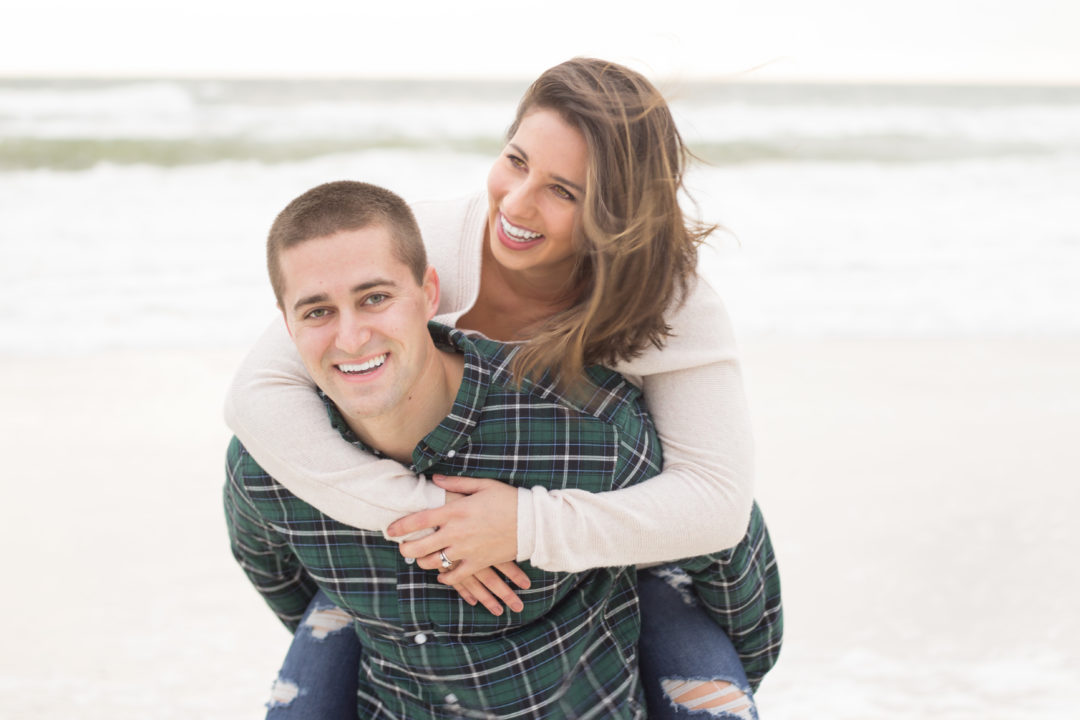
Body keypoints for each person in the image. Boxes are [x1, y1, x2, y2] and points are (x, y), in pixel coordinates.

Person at [226, 59, 782, 717]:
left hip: (620, 548)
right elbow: (256, 397)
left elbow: (716, 504)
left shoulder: (670, 301)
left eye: (564, 191)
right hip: (402, 551)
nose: (516, 204)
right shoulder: (427, 244)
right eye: (516, 161)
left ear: (615, 212)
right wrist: (433, 525)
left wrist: (521, 526)